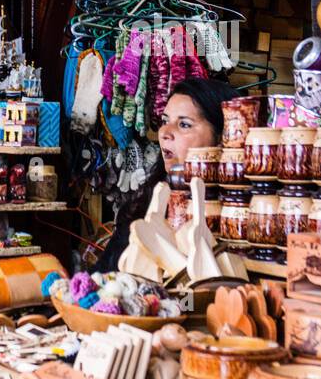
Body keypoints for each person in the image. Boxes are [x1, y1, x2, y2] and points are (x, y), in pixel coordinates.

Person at [96, 77, 238, 272]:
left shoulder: (238, 214)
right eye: (165, 121)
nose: (165, 133)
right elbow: (103, 278)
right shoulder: (151, 201)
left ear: (224, 138)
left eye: (184, 125)